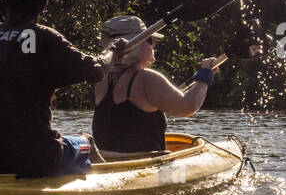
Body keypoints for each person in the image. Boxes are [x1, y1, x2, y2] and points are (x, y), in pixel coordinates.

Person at [0, 0, 117, 177]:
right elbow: (96, 71)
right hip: (33, 159)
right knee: (86, 141)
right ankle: (108, 181)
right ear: (43, 4)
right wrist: (112, 51)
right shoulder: (45, 38)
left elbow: (18, 73)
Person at [93, 15, 222, 154]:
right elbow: (188, 106)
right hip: (141, 165)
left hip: (108, 161)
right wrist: (205, 76)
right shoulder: (146, 79)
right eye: (149, 40)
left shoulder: (101, 79)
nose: (154, 44)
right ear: (135, 45)